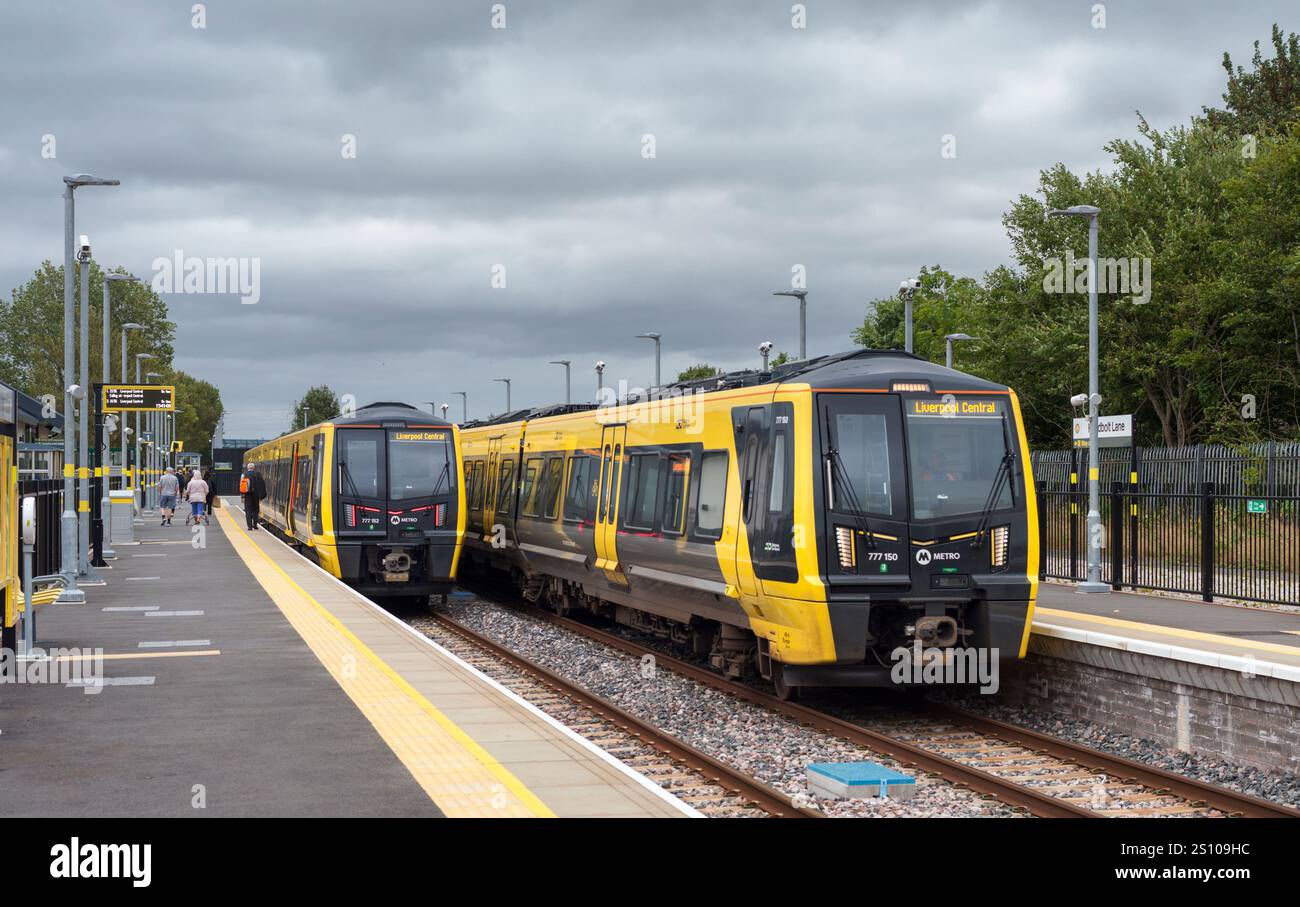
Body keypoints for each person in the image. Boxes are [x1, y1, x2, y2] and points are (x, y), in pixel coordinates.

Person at [242, 461, 267, 530]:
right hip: (256, 495)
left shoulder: (244, 475)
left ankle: (249, 526)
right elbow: (262, 484)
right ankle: (255, 525)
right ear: (254, 468)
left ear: (247, 468)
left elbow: (242, 485)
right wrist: (262, 495)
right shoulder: (258, 474)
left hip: (247, 495)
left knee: (248, 510)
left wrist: (242, 495)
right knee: (255, 510)